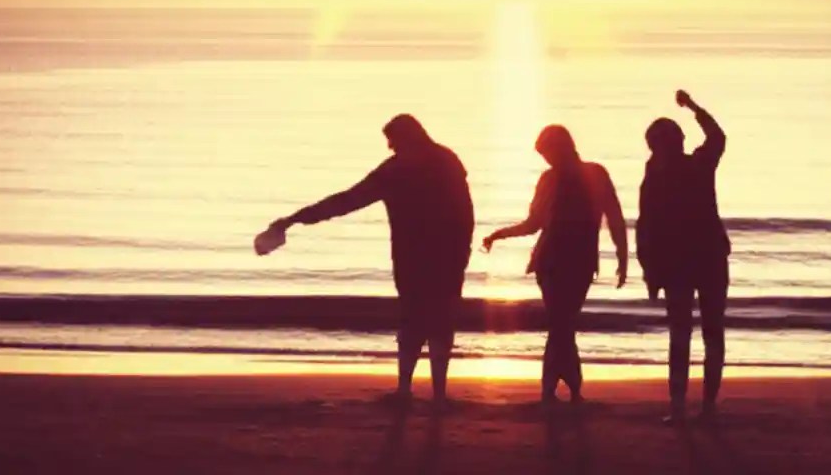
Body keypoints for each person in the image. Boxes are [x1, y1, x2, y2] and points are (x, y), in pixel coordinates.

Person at [264, 114, 474, 408]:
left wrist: (295, 219)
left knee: (418, 321)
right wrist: (296, 218)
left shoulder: (400, 170)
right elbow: (466, 214)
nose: (389, 146)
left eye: (393, 140)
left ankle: (410, 390)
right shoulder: (440, 162)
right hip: (437, 257)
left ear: (407, 137)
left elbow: (347, 200)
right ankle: (429, 393)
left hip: (422, 257)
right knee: (434, 323)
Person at [482, 125, 628, 404]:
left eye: (547, 153)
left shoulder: (595, 174)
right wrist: (499, 235)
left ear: (561, 147)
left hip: (580, 261)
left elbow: (614, 216)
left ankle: (559, 389)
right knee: (562, 324)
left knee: (562, 324)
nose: (547, 160)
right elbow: (533, 223)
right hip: (550, 261)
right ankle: (563, 390)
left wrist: (622, 256)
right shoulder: (550, 179)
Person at [637, 90, 729, 425]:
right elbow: (646, 229)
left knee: (690, 334)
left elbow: (645, 230)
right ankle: (700, 406)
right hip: (702, 263)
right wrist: (693, 107)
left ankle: (690, 406)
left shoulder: (666, 174)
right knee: (705, 333)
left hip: (691, 264)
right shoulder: (693, 167)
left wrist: (650, 271)